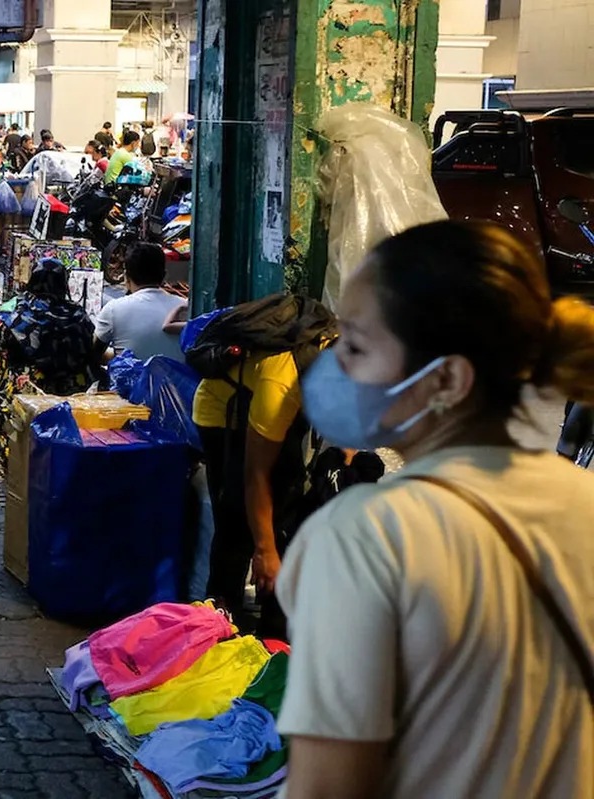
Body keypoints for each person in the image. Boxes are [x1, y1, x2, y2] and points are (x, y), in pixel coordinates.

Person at [277, 219, 594, 799]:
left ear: (446, 379)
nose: (335, 366)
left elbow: (326, 789)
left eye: (356, 346)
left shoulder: (364, 537)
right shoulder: (584, 500)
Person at [192, 303, 334, 635]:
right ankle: (220, 625)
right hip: (223, 413)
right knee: (236, 521)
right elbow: (256, 475)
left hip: (269, 405)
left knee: (287, 511)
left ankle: (274, 634)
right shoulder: (282, 381)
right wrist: (264, 549)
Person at [0, 258, 99, 471]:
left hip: (27, 401)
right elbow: (91, 359)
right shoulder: (79, 317)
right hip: (70, 401)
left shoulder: (17, 318)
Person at [93, 242, 184, 361]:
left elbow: (94, 354)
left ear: (126, 276)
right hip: (178, 373)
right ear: (164, 276)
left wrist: (118, 356)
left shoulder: (113, 309)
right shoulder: (184, 307)